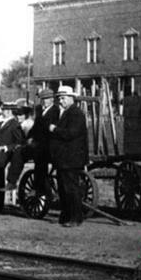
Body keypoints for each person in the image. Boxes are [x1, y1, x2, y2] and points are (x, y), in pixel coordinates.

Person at [49, 85, 89, 227]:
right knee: (64, 188)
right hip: (64, 159)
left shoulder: (76, 113)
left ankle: (75, 218)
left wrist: (55, 129)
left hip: (71, 158)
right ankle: (66, 216)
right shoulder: (67, 112)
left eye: (63, 98)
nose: (61, 101)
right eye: (59, 98)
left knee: (71, 189)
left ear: (72, 98)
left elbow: (71, 133)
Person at [28, 90, 59, 204]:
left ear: (52, 99)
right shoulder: (40, 111)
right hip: (40, 144)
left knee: (40, 160)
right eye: (42, 99)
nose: (43, 101)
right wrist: (30, 136)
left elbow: (52, 130)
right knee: (38, 159)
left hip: (49, 144)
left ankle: (41, 189)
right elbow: (36, 127)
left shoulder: (56, 111)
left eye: (46, 99)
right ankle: (43, 188)